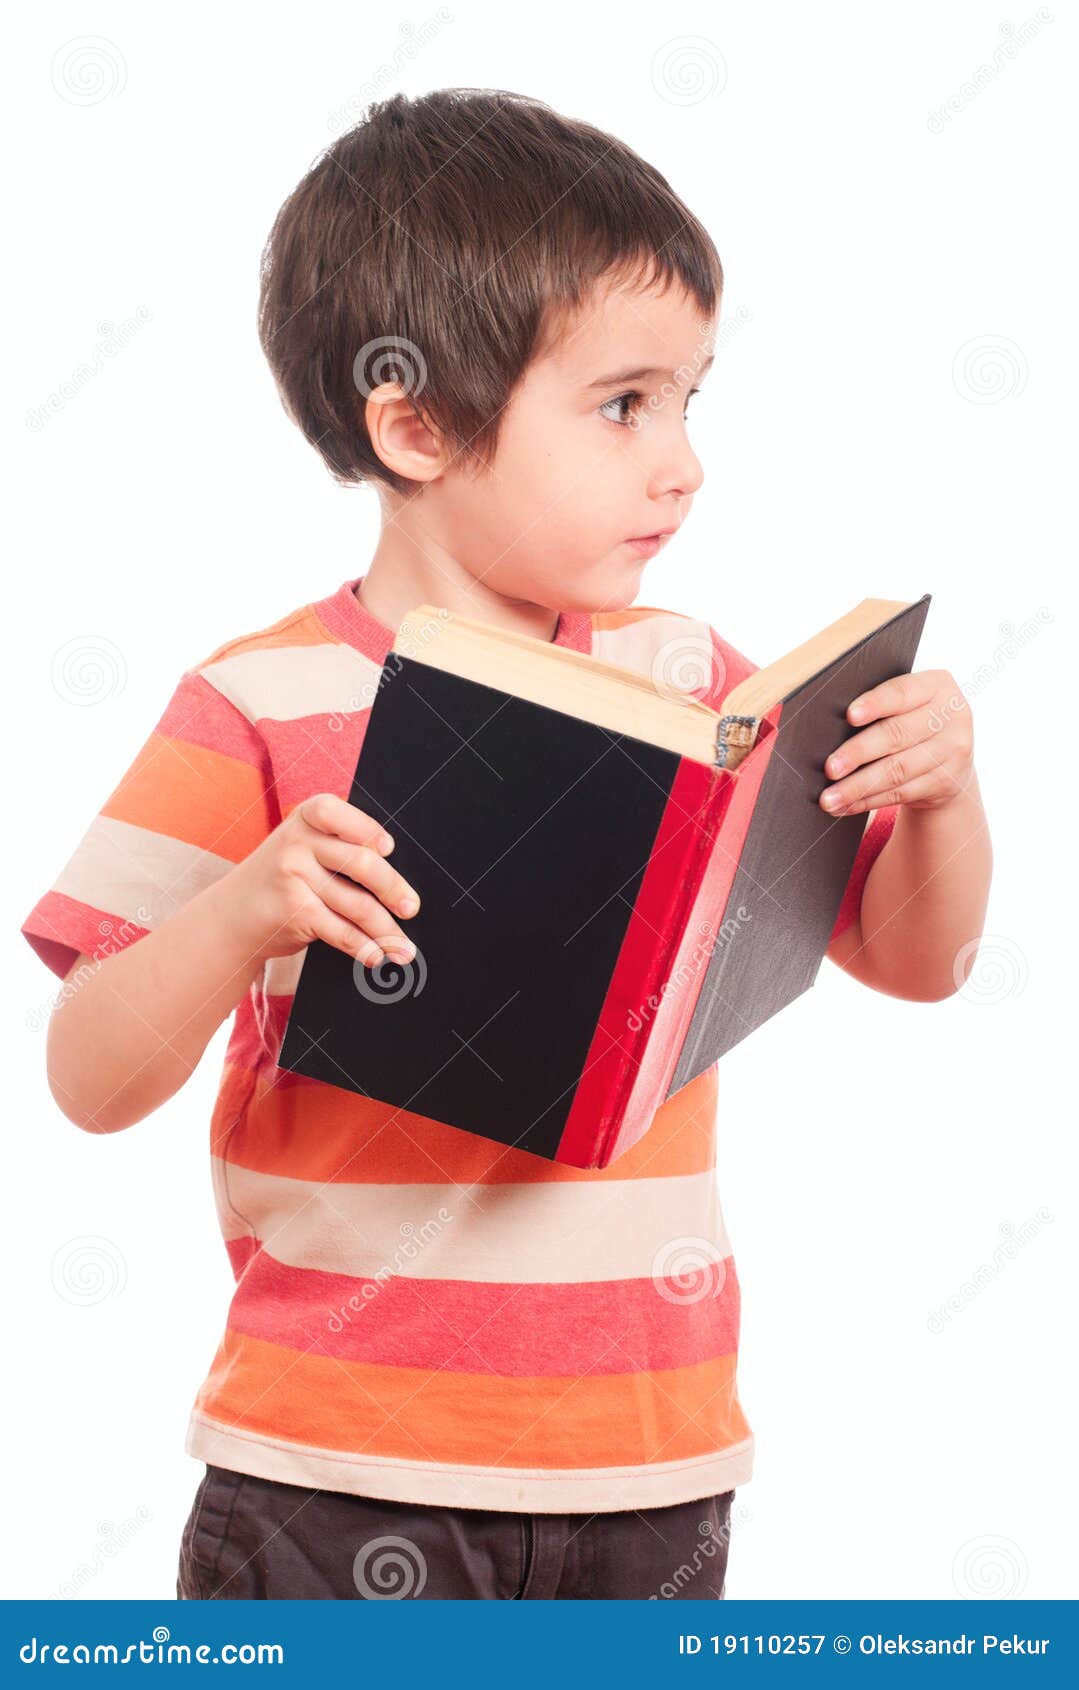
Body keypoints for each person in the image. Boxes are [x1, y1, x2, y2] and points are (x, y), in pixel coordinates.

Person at [20, 88, 992, 1601]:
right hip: (335, 1468)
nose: (682, 464)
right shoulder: (258, 697)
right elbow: (87, 1074)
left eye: (692, 400)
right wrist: (242, 909)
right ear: (412, 421)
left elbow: (918, 961)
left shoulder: (695, 677)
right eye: (622, 406)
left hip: (654, 1461)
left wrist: (943, 792)